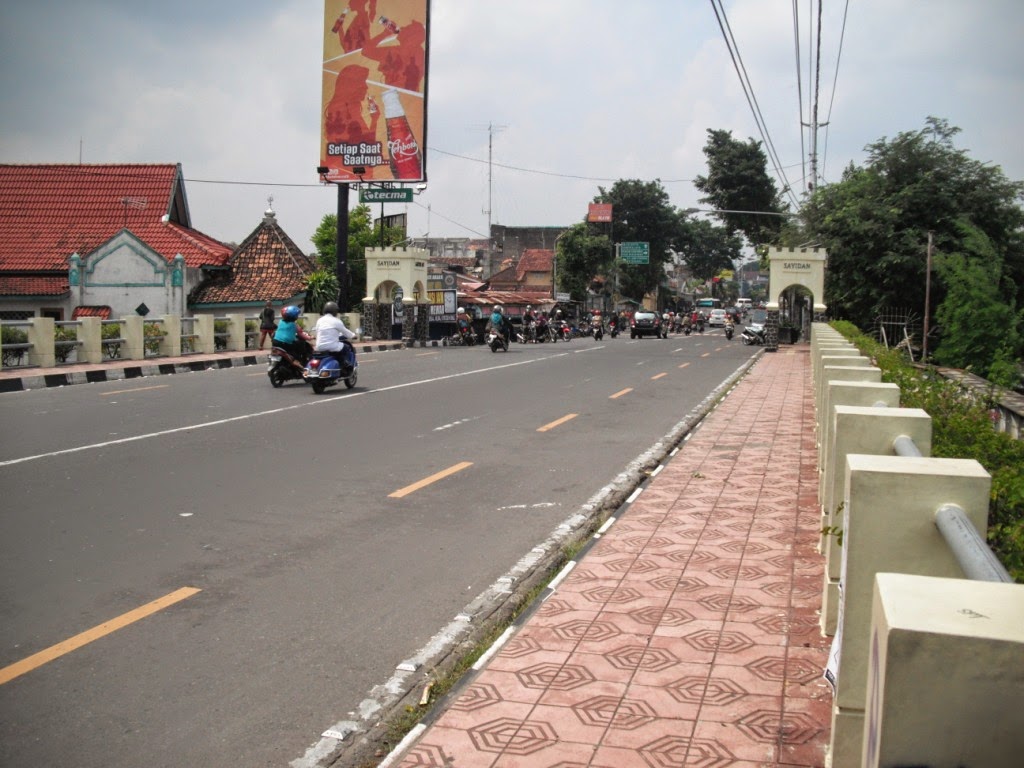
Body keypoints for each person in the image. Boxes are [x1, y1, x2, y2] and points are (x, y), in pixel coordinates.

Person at [313, 301, 357, 372]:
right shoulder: (336, 321)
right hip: (331, 346)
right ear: (335, 311)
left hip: (319, 347)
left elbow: (318, 330)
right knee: (347, 347)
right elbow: (345, 332)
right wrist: (353, 335)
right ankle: (345, 363)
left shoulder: (319, 320)